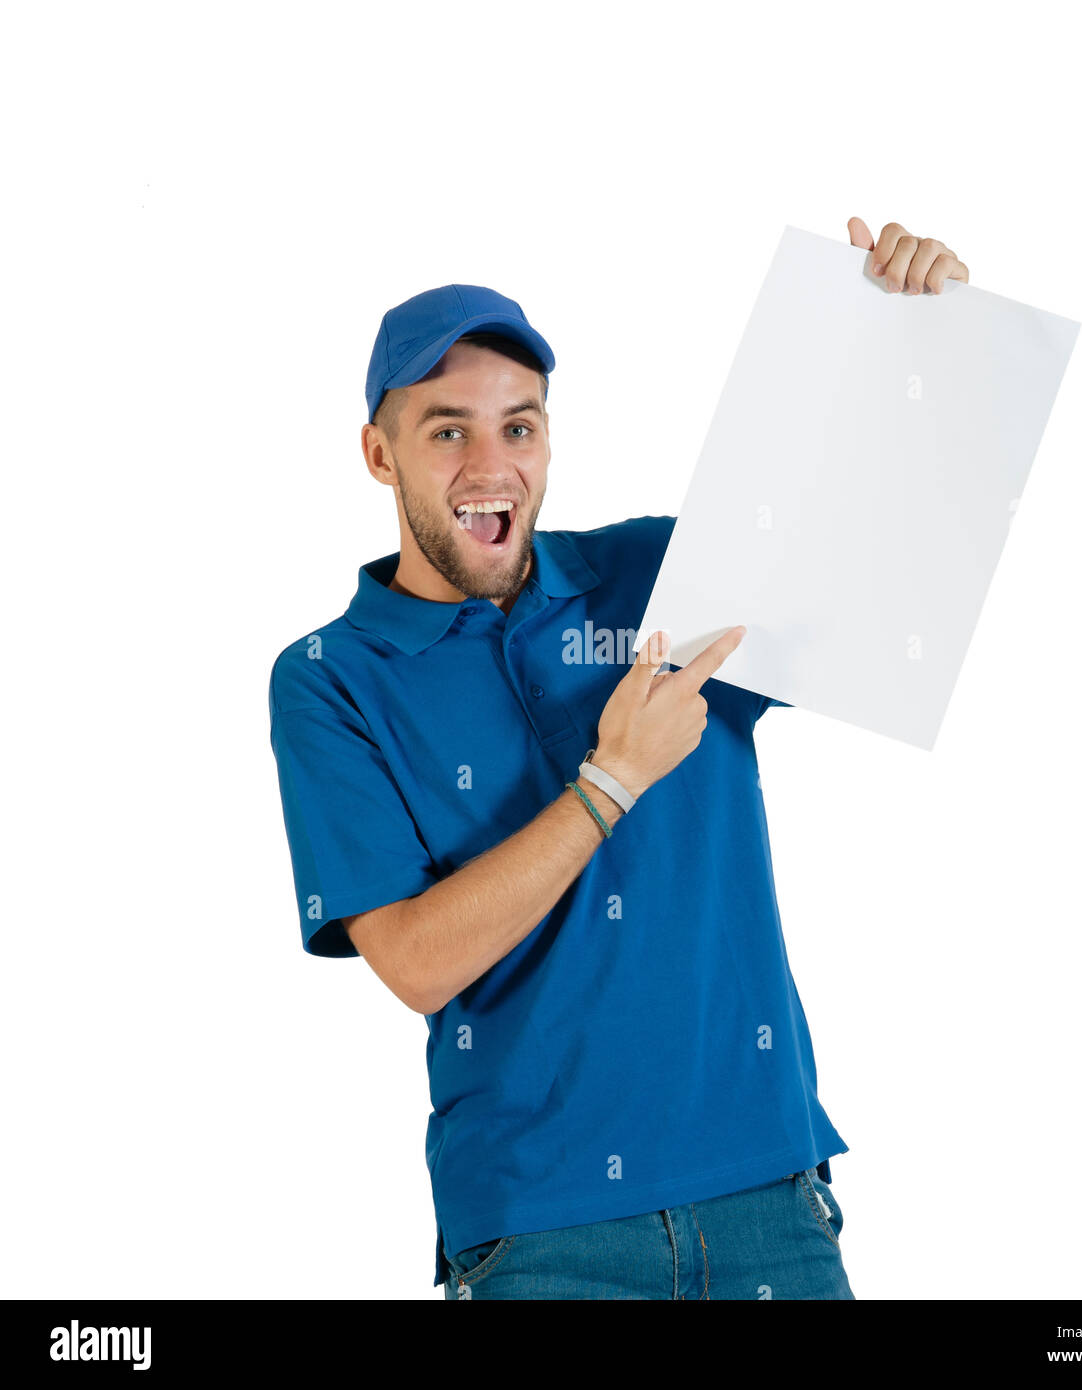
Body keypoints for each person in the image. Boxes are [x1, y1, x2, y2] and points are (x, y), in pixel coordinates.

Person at [268, 220, 968, 1300]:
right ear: (379, 453)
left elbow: (884, 572)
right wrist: (609, 782)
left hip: (767, 1197)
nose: (489, 466)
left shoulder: (653, 577)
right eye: (446, 432)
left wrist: (916, 345)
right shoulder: (330, 677)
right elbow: (413, 959)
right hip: (541, 1234)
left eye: (519, 427)